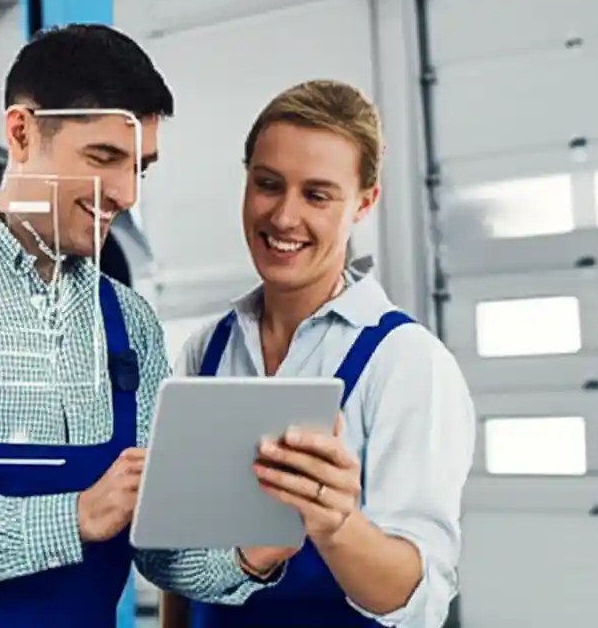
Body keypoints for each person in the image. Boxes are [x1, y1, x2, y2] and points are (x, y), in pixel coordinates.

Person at [0, 24, 287, 628]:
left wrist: (252, 554)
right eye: (103, 158)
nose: (123, 193)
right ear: (21, 133)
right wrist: (74, 517)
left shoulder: (129, 324)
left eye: (140, 167)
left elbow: (159, 543)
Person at [158, 80, 477, 627]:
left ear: (364, 203)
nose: (283, 217)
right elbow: (178, 561)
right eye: (268, 184)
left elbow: (419, 600)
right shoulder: (207, 350)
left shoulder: (405, 363)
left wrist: (336, 525)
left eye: (317, 195)